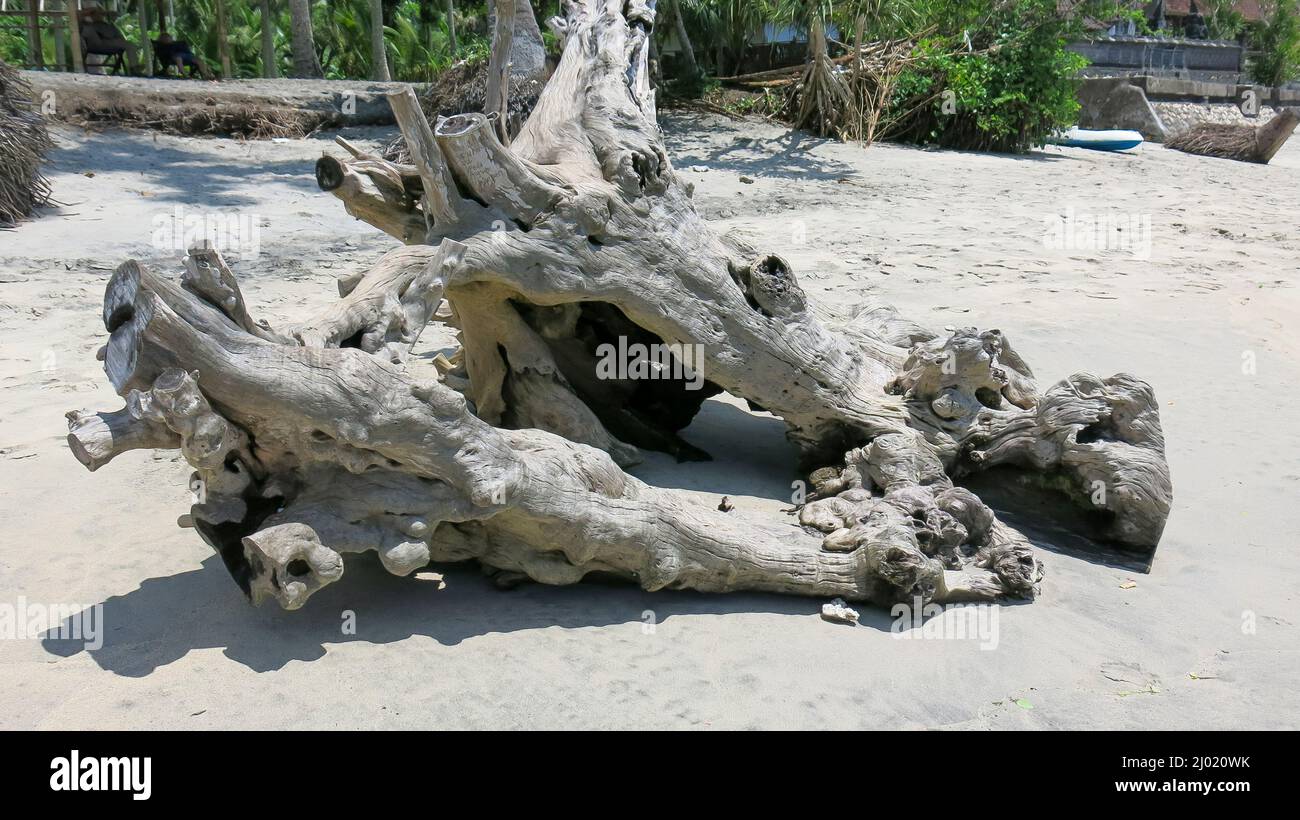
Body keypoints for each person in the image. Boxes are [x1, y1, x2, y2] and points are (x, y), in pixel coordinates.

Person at [79, 7, 141, 74]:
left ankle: (135, 69)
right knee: (128, 45)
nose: (100, 16)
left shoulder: (107, 25)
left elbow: (116, 35)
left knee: (129, 45)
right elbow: (78, 16)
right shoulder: (88, 26)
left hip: (110, 43)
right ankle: (135, 70)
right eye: (96, 14)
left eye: (101, 14)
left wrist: (104, 13)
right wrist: (89, 12)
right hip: (99, 44)